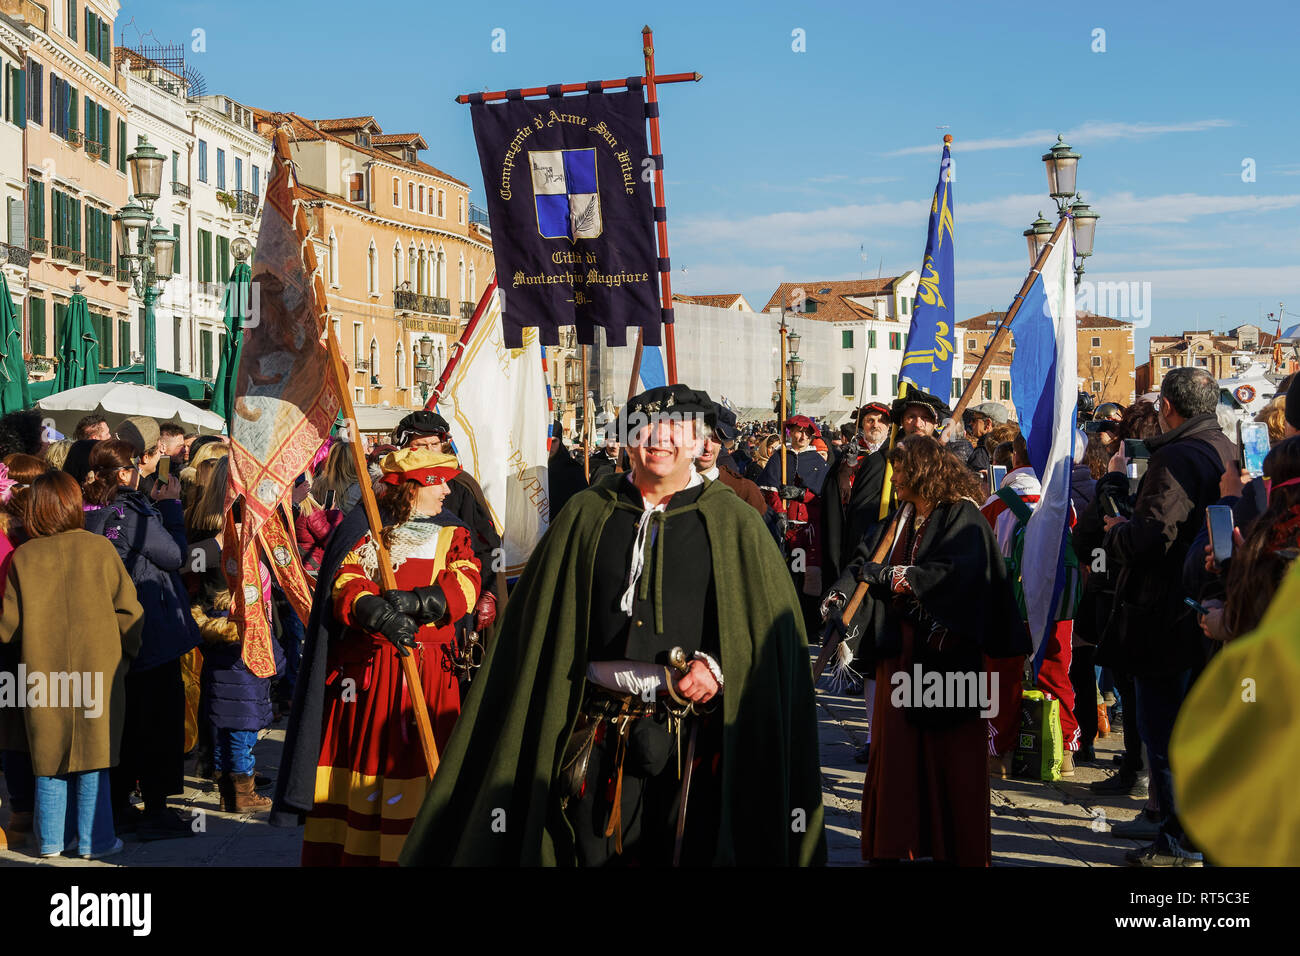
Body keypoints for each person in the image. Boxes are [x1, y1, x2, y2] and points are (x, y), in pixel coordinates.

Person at [397, 384, 826, 866]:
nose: (659, 438)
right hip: (589, 734)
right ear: (626, 439)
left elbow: (766, 637)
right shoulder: (586, 512)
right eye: (645, 427)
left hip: (690, 744)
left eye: (676, 428)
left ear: (698, 441)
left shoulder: (733, 521)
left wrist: (718, 667)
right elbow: (541, 626)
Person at [273, 450, 480, 865]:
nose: (446, 490)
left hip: (429, 676)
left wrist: (424, 602)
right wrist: (377, 613)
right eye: (436, 481)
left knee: (423, 772)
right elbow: (345, 580)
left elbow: (468, 577)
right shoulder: (366, 529)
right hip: (369, 679)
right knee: (364, 771)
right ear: (411, 487)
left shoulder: (452, 532)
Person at [825, 435, 1023, 866]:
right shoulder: (902, 516)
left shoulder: (964, 516)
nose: (895, 481)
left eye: (902, 473)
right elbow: (866, 561)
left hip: (948, 657)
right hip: (901, 655)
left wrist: (898, 577)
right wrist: (842, 594)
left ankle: (955, 848)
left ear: (923, 474)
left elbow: (963, 575)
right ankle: (901, 844)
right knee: (898, 754)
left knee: (950, 758)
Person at [1098, 367, 1234, 867]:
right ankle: (1179, 829)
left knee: (1169, 731)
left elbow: (1152, 538)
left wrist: (1117, 530)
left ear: (1169, 409)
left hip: (1167, 610)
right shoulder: (1222, 445)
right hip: (1199, 606)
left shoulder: (1177, 455)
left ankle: (1181, 840)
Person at [0, 472, 144, 858]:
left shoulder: (23, 557)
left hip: (43, 675)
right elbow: (130, 614)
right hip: (98, 671)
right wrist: (123, 659)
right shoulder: (100, 549)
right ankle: (94, 842)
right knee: (93, 756)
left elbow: (7, 629)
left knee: (48, 758)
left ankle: (50, 840)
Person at [81, 440, 202, 840]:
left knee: (125, 721)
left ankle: (119, 806)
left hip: (113, 632)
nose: (139, 470)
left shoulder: (93, 511)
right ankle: (156, 809)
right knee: (159, 722)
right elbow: (174, 555)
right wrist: (169, 507)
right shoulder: (131, 512)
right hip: (149, 631)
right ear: (120, 473)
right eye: (133, 465)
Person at [185, 457, 284, 814]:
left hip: (250, 633)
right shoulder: (215, 537)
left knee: (235, 715)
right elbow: (184, 562)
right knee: (240, 717)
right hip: (232, 635)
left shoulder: (255, 531)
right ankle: (239, 787)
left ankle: (235, 782)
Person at [979, 432, 1080, 776]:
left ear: (1012, 459)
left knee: (1001, 674)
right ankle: (1064, 749)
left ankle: (998, 755)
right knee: (1055, 666)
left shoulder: (994, 503)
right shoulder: (1062, 499)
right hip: (1056, 598)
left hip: (1009, 600)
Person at [390, 411, 503, 647]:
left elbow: (487, 545)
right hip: (394, 608)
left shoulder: (460, 487)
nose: (430, 452)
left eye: (434, 444)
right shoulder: (390, 488)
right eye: (421, 445)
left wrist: (489, 592)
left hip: (449, 609)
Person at [695, 404, 766, 515]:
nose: (708, 447)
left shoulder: (744, 491)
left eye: (716, 438)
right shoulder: (666, 486)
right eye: (701, 437)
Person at [312, 440, 362, 513]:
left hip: (323, 523)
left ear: (331, 460)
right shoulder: (360, 488)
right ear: (353, 461)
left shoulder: (318, 484)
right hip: (348, 523)